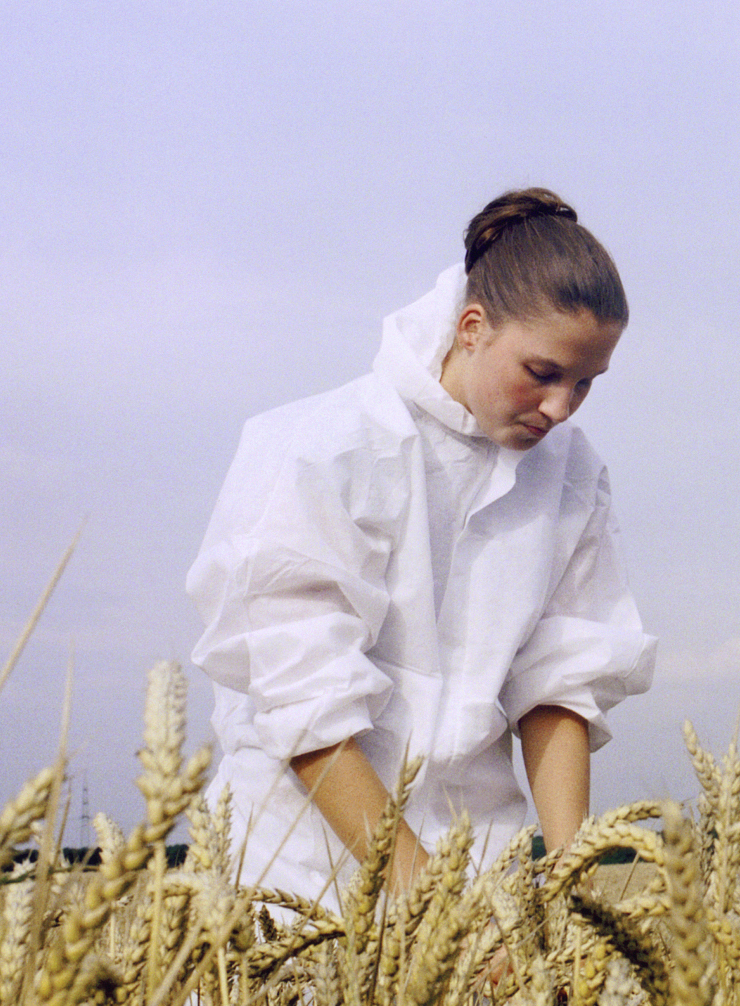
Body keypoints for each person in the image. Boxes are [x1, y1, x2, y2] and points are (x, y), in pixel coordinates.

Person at [187, 189, 656, 905]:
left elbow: (560, 681)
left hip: (478, 879)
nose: (561, 408)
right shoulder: (319, 449)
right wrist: (426, 898)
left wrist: (571, 882)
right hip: (297, 880)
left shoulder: (571, 475)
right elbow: (304, 703)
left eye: (585, 383)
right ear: (472, 326)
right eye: (543, 372)